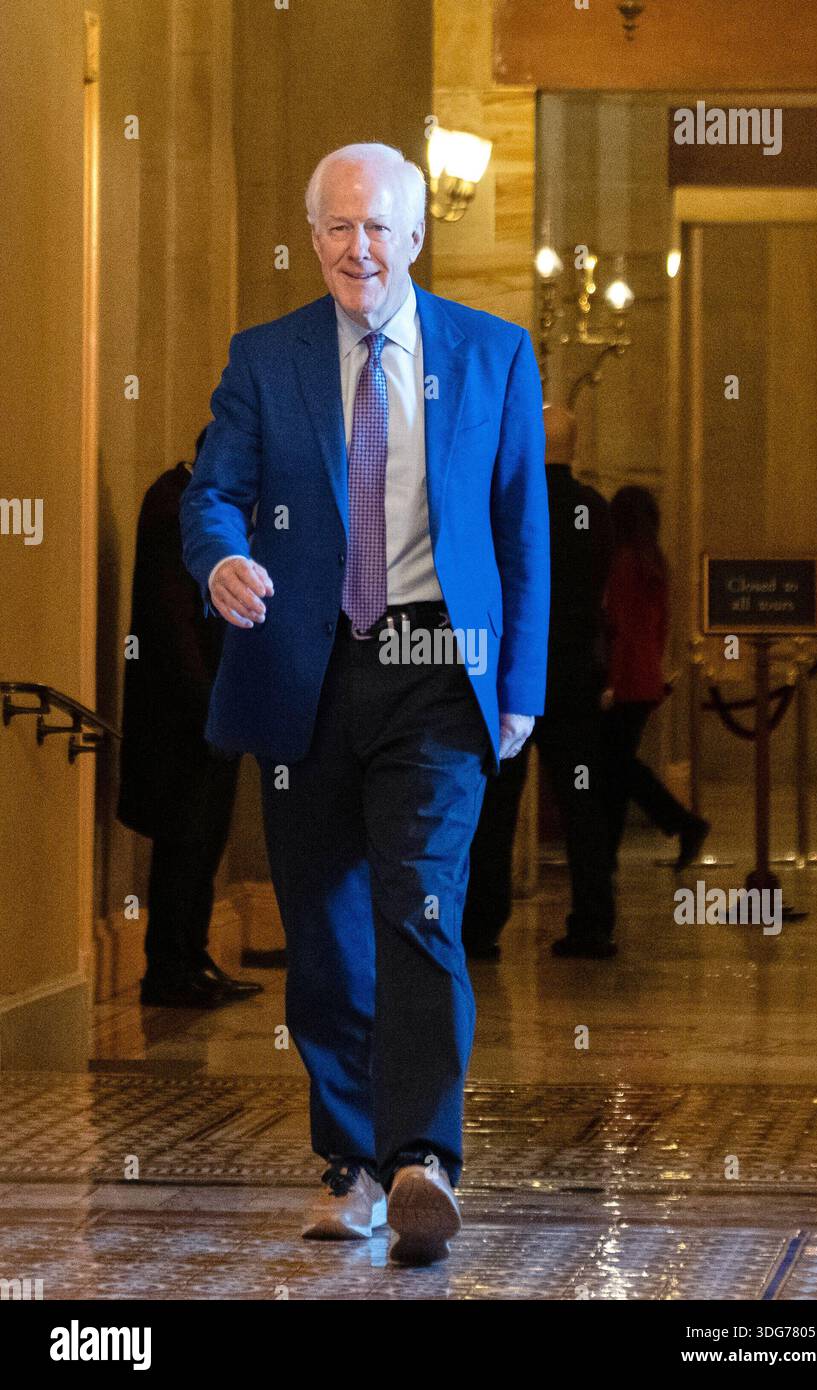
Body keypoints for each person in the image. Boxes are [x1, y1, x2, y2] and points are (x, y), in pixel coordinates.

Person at [180, 143, 549, 1264]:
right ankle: (348, 1162)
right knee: (327, 932)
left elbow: (523, 528)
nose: (360, 249)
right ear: (313, 237)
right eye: (339, 228)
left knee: (420, 908)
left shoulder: (490, 354)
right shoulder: (266, 357)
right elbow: (213, 493)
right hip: (305, 668)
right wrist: (220, 561)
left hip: (438, 666)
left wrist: (520, 685)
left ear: (416, 236)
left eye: (379, 227)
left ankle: (422, 1158)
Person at [463, 404, 618, 959]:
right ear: (574, 449)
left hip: (513, 677)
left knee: (497, 807)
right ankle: (594, 922)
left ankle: (480, 927)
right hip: (575, 678)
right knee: (583, 804)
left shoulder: (508, 504)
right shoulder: (595, 511)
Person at [117, 428, 263, 1008]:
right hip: (182, 712)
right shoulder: (174, 503)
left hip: (209, 704)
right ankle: (169, 966)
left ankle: (190, 955)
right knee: (184, 839)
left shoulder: (198, 506)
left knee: (204, 840)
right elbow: (174, 621)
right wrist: (208, 704)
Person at [603, 485, 709, 871]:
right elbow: (657, 626)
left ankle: (683, 823)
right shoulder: (654, 561)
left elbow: (619, 627)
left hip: (625, 678)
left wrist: (610, 682)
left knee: (616, 765)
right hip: (645, 676)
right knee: (618, 765)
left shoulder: (623, 562)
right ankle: (610, 849)